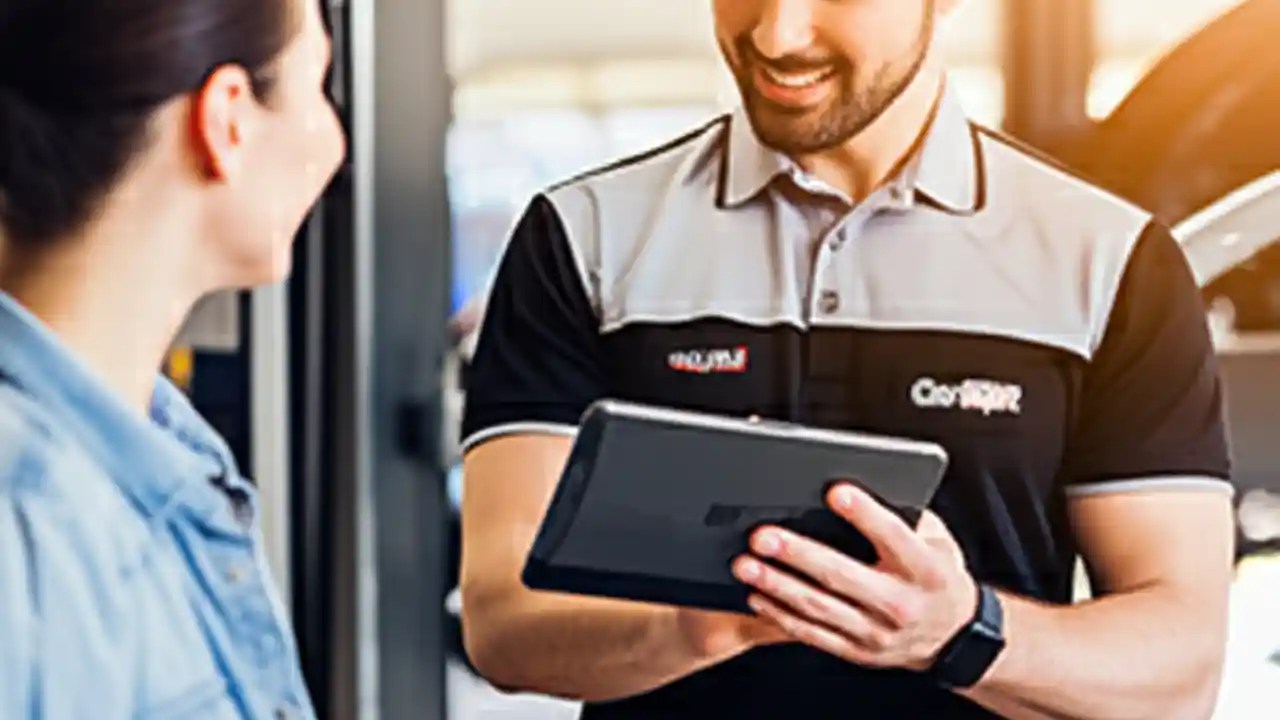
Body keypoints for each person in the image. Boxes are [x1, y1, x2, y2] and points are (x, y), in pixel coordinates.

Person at [458, 0, 1236, 718]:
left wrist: (962, 631)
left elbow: (1180, 675)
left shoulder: (1107, 260)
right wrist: (697, 628)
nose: (777, 35)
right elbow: (502, 624)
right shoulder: (586, 237)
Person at [0, 0, 344, 717]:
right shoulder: (26, 527)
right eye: (316, 87)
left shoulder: (167, 449)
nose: (333, 143)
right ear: (227, 120)